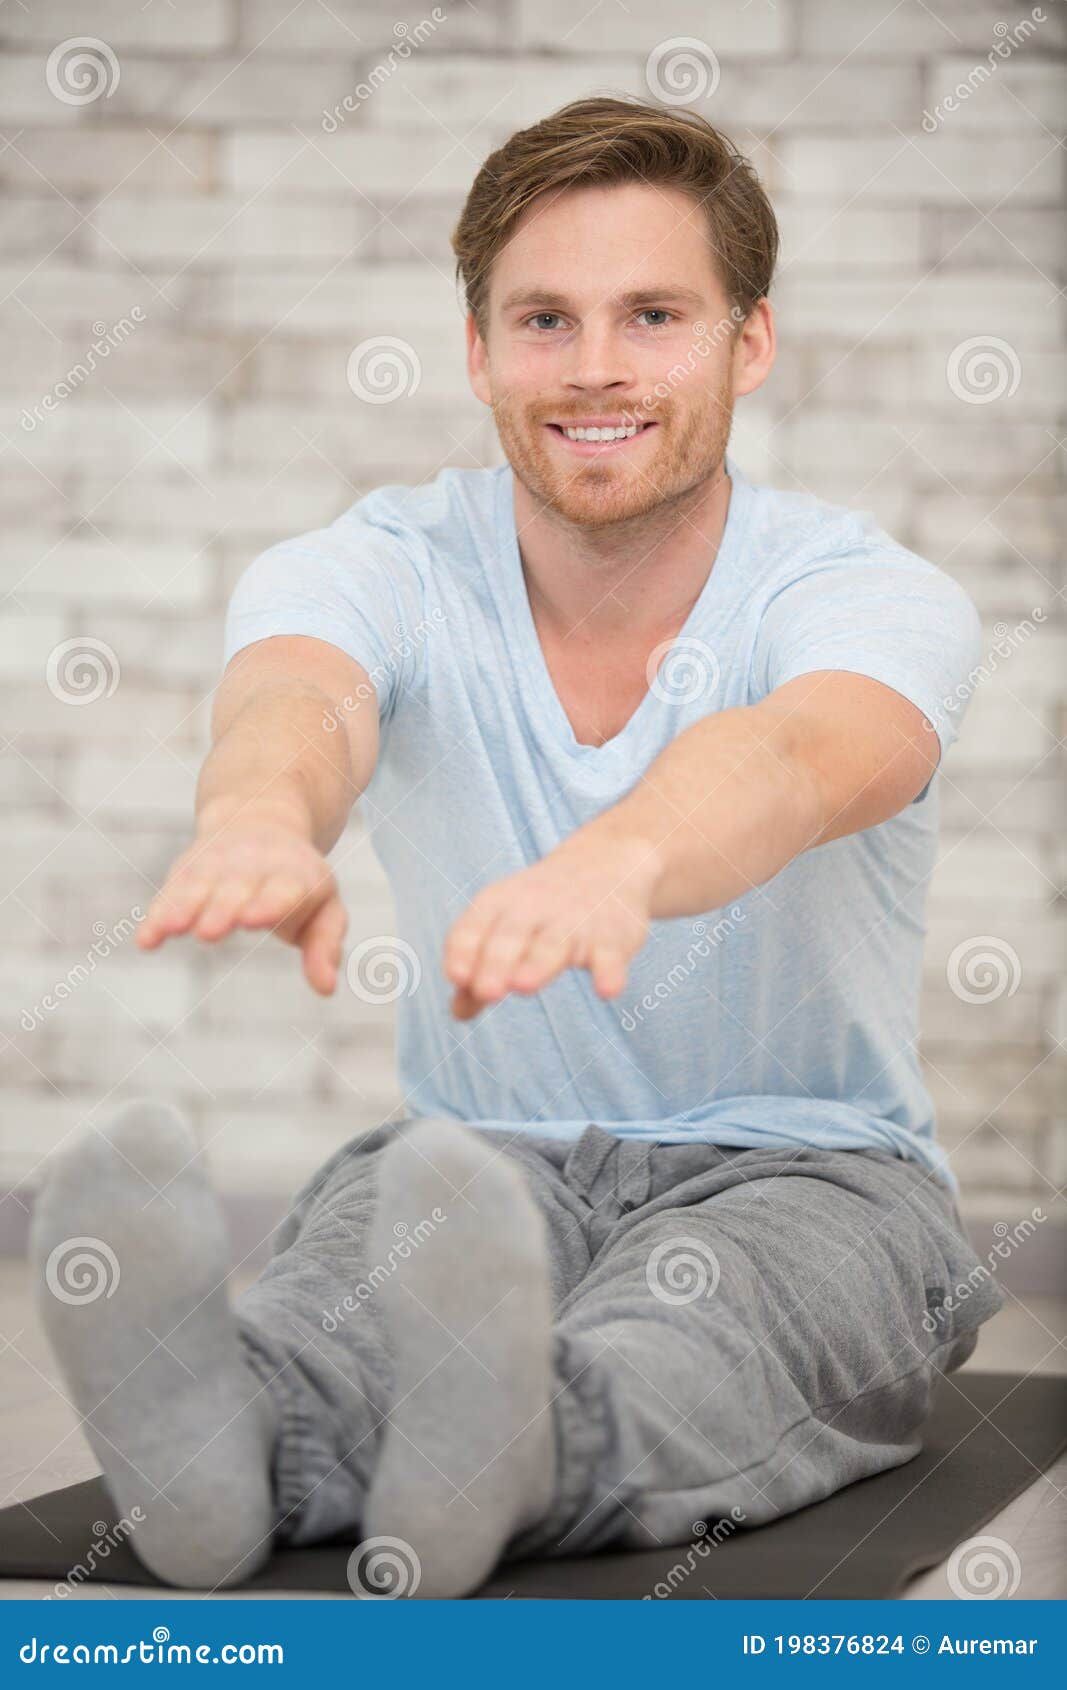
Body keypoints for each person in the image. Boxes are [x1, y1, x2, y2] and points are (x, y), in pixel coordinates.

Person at [30, 96, 1003, 1599]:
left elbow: (805, 756)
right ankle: (230, 1443)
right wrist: (257, 818)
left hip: (816, 1173)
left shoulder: (863, 590)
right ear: (479, 353)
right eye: (545, 318)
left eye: (654, 314)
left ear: (749, 342)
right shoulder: (383, 560)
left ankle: (517, 1448)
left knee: (703, 1331)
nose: (597, 364)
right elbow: (300, 696)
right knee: (353, 1295)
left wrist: (620, 860)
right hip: (479, 1167)